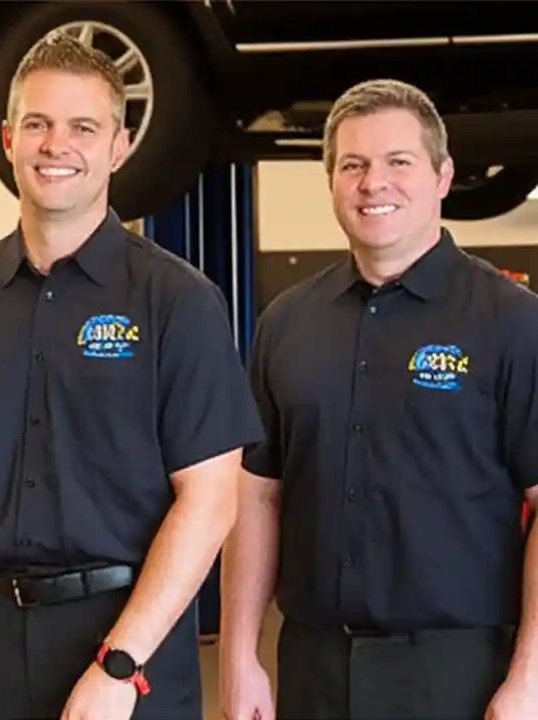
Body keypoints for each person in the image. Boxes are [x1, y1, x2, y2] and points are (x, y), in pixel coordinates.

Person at [0, 31, 265, 720]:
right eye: (38, 124)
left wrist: (121, 664)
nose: (57, 145)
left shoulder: (177, 302)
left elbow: (210, 501)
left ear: (119, 145)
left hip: (124, 641)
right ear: (7, 139)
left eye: (83, 127)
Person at [219, 78, 538, 720]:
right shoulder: (285, 324)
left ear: (444, 176)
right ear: (332, 181)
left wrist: (529, 681)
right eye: (353, 165)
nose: (374, 183)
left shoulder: (512, 322)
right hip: (312, 667)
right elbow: (257, 495)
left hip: (460, 673)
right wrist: (238, 657)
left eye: (399, 162)